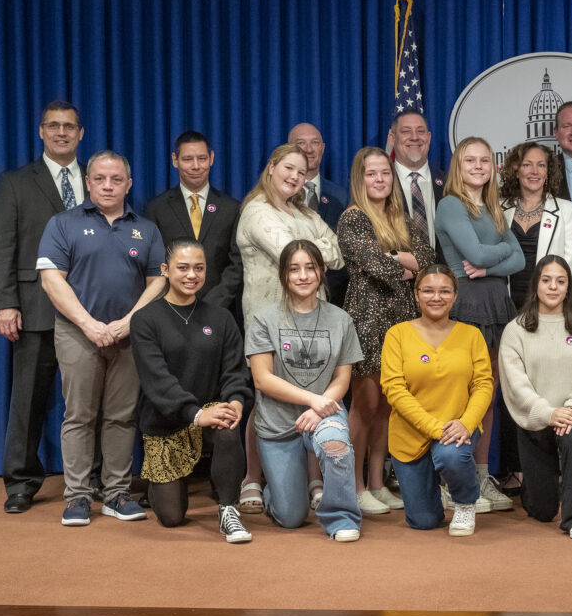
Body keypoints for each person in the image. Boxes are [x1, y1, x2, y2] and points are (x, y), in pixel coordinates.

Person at [36, 150, 166, 526]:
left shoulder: (146, 229)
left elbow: (158, 279)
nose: (108, 186)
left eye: (116, 179)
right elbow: (51, 280)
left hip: (129, 336)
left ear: (129, 184)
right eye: (100, 179)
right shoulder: (63, 224)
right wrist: (89, 324)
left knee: (122, 418)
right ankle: (77, 497)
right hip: (78, 333)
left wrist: (130, 321)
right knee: (78, 416)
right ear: (88, 182)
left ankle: (115, 493)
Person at [0, 101, 86, 514]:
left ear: (80, 133)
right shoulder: (15, 182)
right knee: (27, 400)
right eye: (53, 126)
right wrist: (5, 302)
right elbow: (0, 246)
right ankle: (22, 482)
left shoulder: (98, 177)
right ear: (40, 132)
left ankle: (92, 478)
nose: (61, 132)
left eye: (69, 126)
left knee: (88, 400)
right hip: (34, 308)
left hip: (91, 310)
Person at [235, 144, 343, 514]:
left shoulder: (303, 212)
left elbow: (338, 252)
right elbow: (294, 257)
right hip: (268, 317)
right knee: (267, 397)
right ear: (271, 168)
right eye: (288, 168)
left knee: (310, 393)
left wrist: (318, 249)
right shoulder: (256, 212)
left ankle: (313, 478)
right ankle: (252, 477)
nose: (295, 177)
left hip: (311, 317)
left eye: (302, 172)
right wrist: (318, 250)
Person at [130, 238, 253, 541]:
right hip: (167, 420)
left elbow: (234, 370)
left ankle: (228, 511)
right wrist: (195, 414)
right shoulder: (145, 319)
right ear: (165, 270)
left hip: (211, 411)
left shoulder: (220, 317)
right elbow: (157, 380)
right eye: (182, 268)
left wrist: (236, 401)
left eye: (199, 268)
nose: (191, 275)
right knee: (172, 518)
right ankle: (154, 486)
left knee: (228, 426)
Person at [337, 147, 435, 515]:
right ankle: (355, 485)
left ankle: (377, 483)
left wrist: (401, 260)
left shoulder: (400, 216)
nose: (379, 180)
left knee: (389, 406)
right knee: (365, 404)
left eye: (385, 173)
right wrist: (401, 262)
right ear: (359, 179)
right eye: (371, 174)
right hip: (368, 318)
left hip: (401, 319)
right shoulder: (353, 218)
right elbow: (376, 265)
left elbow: (428, 258)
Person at [245, 240, 364, 540]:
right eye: (294, 269)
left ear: (321, 272)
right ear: (283, 274)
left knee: (336, 445)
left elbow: (342, 379)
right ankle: (279, 489)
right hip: (277, 423)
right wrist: (312, 400)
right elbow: (262, 379)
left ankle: (342, 518)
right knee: (290, 517)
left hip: (324, 414)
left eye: (310, 268)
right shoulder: (263, 318)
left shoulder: (341, 319)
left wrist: (318, 408)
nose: (303, 276)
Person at [435, 136, 525, 511]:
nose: (477, 166)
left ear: (493, 166)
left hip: (496, 304)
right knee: (458, 395)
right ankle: (450, 481)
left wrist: (489, 264)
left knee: (487, 395)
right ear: (459, 165)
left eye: (484, 160)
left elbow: (520, 261)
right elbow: (471, 254)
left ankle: (482, 476)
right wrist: (499, 251)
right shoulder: (450, 204)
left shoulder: (495, 207)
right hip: (465, 303)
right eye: (469, 160)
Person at [380, 265, 495, 536]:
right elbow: (394, 389)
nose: (436, 297)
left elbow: (483, 385)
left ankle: (465, 502)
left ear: (455, 296)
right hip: (411, 434)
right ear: (416, 295)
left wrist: (467, 424)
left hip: (458, 431)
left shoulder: (471, 335)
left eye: (445, 291)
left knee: (450, 455)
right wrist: (435, 428)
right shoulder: (397, 334)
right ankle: (435, 494)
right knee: (423, 521)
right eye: (428, 290)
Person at [499, 256, 572, 539]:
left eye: (561, 281)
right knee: (541, 509)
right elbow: (515, 384)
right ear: (536, 285)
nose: (553, 287)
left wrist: (570, 411)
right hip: (535, 421)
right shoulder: (515, 330)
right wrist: (549, 413)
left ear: (569, 288)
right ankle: (538, 495)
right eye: (546, 280)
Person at [143, 131, 242, 311]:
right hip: (169, 310)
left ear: (211, 158)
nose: (196, 166)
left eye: (202, 158)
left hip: (219, 310)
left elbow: (236, 265)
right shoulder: (156, 208)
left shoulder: (232, 208)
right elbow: (153, 266)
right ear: (175, 160)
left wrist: (214, 303)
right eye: (188, 159)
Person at [501, 141, 572, 308]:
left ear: (548, 172)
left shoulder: (567, 211)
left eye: (541, 165)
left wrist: (570, 314)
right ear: (516, 171)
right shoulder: (498, 209)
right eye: (526, 165)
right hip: (504, 304)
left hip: (548, 306)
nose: (534, 171)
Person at [288, 122, 348, 305]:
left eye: (315, 143)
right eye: (301, 143)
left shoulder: (342, 195)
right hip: (290, 295)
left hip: (335, 296)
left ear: (322, 148)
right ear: (289, 149)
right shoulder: (280, 195)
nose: (308, 149)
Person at [388, 110, 445, 251]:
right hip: (399, 271)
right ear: (392, 138)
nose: (414, 137)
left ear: (429, 137)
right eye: (406, 131)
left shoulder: (450, 183)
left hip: (444, 271)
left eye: (420, 131)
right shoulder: (380, 185)